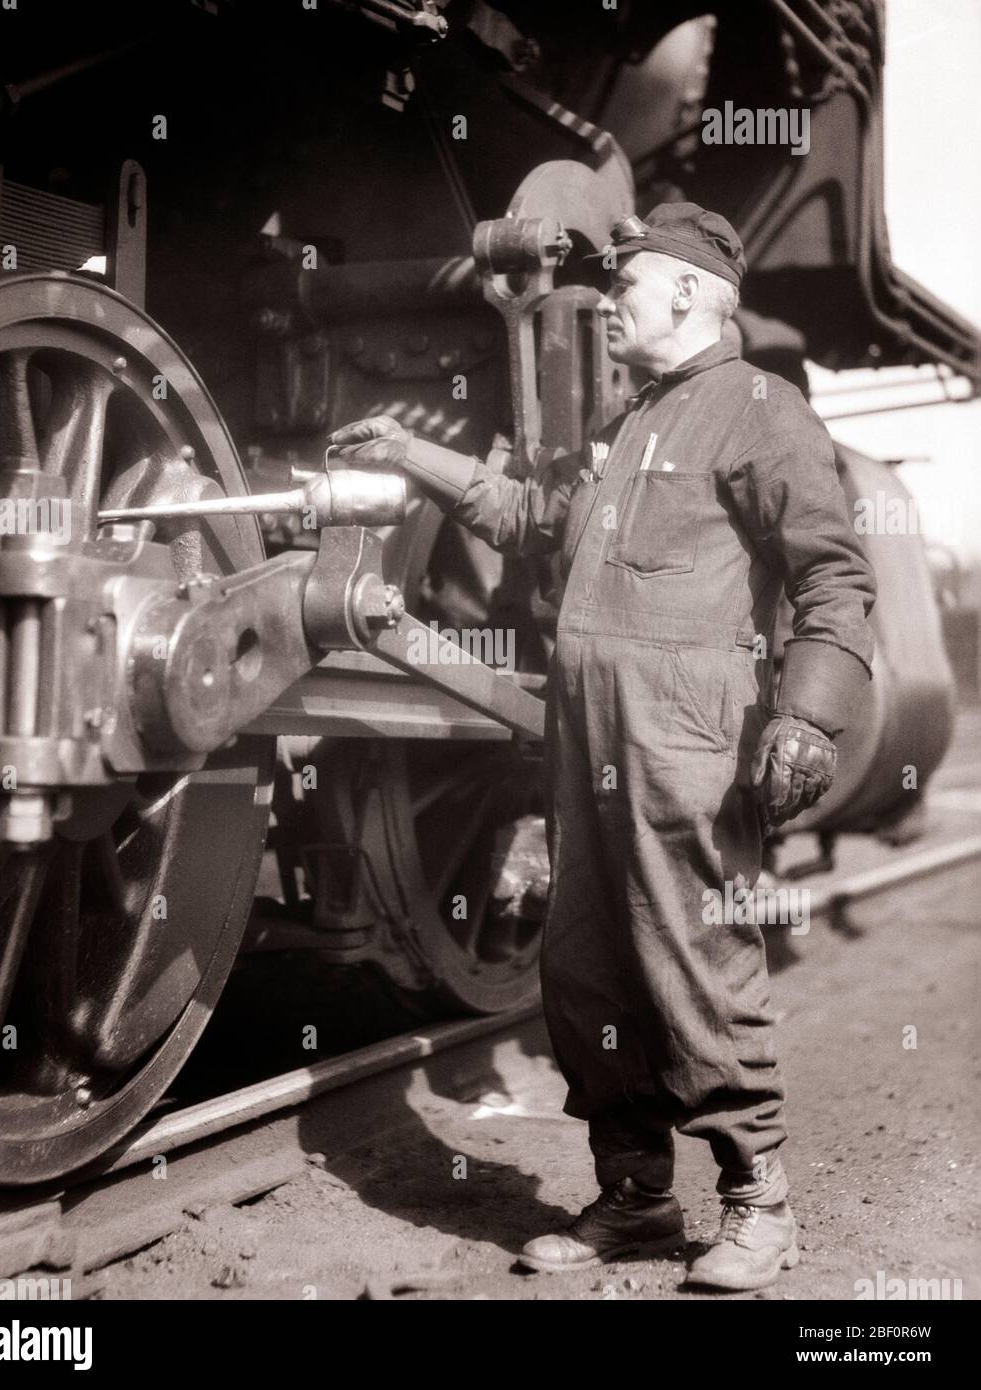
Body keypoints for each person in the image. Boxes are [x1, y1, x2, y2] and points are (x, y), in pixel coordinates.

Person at [329, 202, 877, 1292]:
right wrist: (407, 452)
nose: (608, 308)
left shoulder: (759, 410)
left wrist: (807, 717)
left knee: (693, 962)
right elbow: (532, 513)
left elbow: (832, 576)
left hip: (686, 737)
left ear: (684, 291)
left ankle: (758, 1202)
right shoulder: (637, 421)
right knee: (584, 968)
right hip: (589, 745)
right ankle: (635, 1197)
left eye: (624, 289)